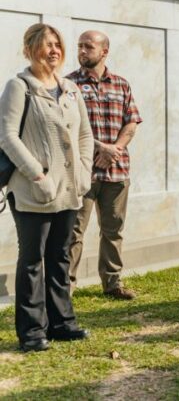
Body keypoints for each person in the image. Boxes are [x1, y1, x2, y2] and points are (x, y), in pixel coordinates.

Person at [0, 24, 93, 352]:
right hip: (32, 191)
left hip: (69, 189)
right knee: (32, 261)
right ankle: (32, 332)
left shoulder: (70, 89)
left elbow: (84, 134)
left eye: (57, 44)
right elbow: (7, 136)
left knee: (60, 257)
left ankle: (62, 323)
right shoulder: (18, 87)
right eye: (45, 45)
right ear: (29, 49)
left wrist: (84, 172)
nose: (53, 50)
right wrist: (37, 176)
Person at [67, 30, 142, 300]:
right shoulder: (68, 84)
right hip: (82, 171)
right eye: (80, 46)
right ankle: (66, 287)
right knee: (73, 232)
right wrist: (102, 148)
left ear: (104, 51)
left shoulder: (121, 84)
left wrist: (116, 150)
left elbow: (131, 121)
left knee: (113, 231)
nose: (82, 51)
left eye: (88, 46)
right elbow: (67, 127)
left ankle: (112, 284)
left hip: (116, 172)